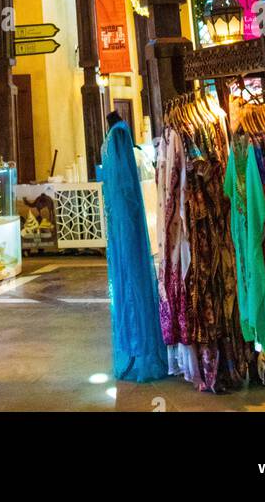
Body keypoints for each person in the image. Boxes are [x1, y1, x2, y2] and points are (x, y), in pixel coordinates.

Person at [101, 113, 168, 383]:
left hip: (122, 224)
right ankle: (141, 345)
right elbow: (129, 185)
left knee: (130, 284)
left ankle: (136, 345)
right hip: (129, 224)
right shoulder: (120, 133)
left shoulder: (113, 136)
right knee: (134, 285)